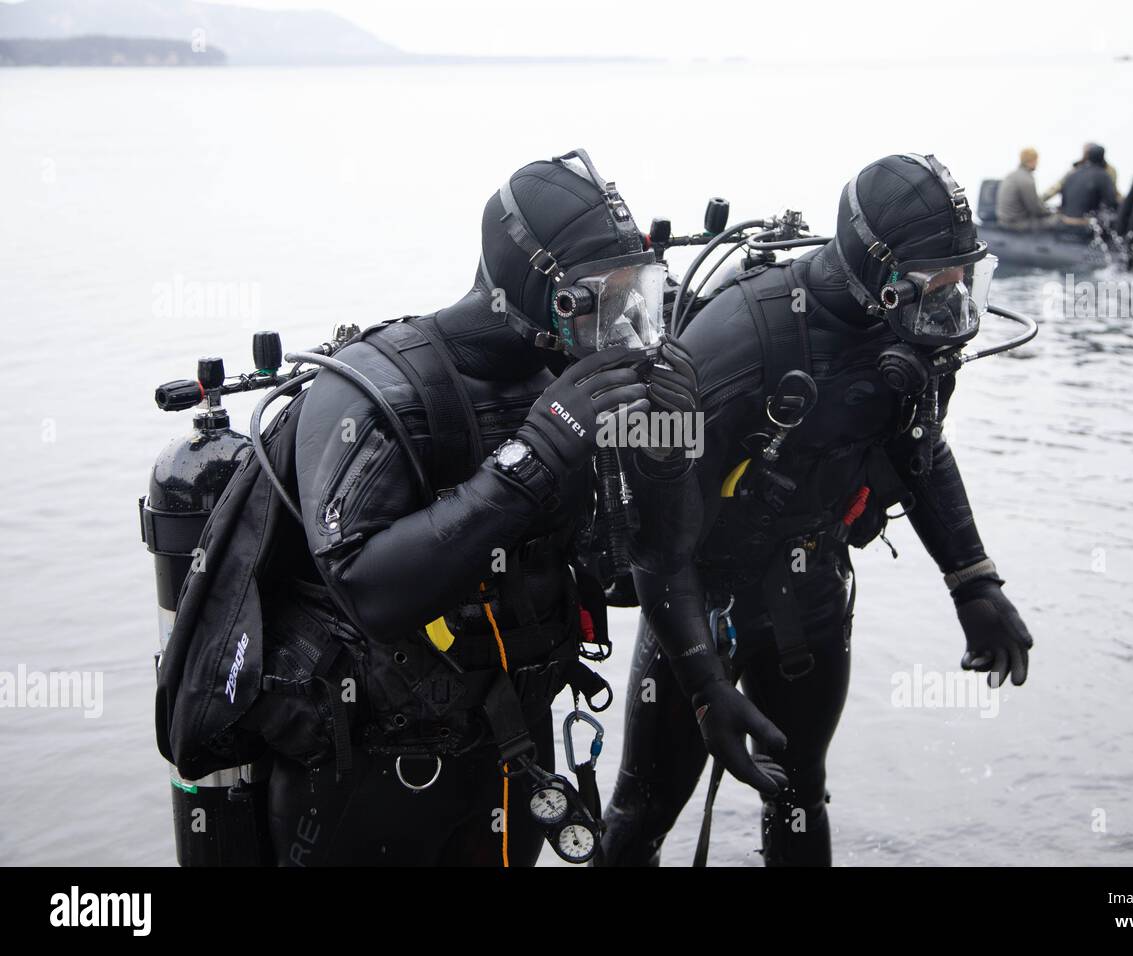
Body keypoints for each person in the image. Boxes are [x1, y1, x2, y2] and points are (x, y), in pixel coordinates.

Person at [254, 149, 769, 866]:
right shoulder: (375, 390)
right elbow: (368, 592)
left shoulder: (583, 384)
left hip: (513, 749)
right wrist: (531, 461)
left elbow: (652, 558)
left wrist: (669, 460)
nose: (628, 328)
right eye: (607, 300)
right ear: (542, 291)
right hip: (367, 768)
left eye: (641, 297)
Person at [601, 154, 1035, 867]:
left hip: (812, 595)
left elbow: (922, 446)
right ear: (880, 271)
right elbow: (655, 540)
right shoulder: (741, 340)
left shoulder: (914, 329)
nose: (952, 306)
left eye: (965, 282)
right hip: (700, 603)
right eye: (937, 285)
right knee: (642, 811)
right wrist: (704, 684)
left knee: (800, 794)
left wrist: (972, 580)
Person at [995, 147, 1055, 230]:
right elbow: (1035, 208)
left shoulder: (1012, 175)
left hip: (1003, 221)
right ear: (1031, 161)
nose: (1037, 163)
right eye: (1036, 160)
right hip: (1016, 224)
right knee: (1057, 221)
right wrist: (1051, 213)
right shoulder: (1026, 179)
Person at [1057, 144, 1119, 220]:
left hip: (1066, 218)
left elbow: (1061, 193)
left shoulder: (1074, 173)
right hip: (1084, 221)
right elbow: (1111, 201)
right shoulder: (1103, 175)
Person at [1041, 142, 1118, 202]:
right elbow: (1057, 187)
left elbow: (1112, 191)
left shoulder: (1109, 171)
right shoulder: (1076, 170)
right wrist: (1040, 200)